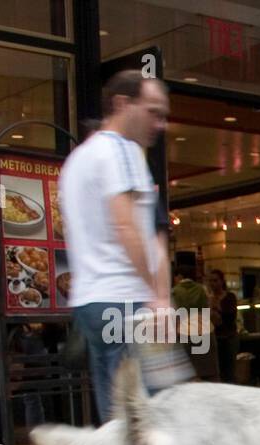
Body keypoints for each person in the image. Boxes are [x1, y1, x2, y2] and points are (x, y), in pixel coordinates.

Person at [59, 70, 170, 422]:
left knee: (120, 421)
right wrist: (158, 298)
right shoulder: (122, 151)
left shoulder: (78, 159)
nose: (160, 123)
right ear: (122, 104)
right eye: (153, 111)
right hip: (128, 301)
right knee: (153, 420)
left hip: (93, 302)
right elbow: (128, 226)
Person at [172, 266, 217, 380]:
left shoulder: (174, 291)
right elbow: (209, 312)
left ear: (179, 276)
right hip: (204, 333)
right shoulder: (203, 289)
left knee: (187, 375)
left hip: (184, 334)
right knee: (206, 372)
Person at [207, 269, 240, 382]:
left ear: (222, 281)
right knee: (218, 371)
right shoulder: (208, 298)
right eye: (210, 281)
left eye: (215, 280)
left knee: (229, 371)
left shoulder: (230, 297)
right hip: (215, 339)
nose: (212, 284)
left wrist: (216, 307)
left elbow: (231, 316)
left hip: (229, 338)